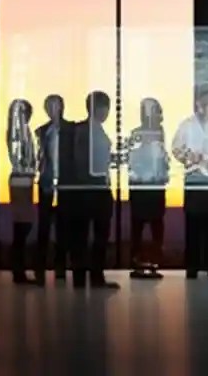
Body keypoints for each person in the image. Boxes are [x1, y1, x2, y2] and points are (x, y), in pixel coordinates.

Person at [172, 86, 208, 279]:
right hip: (194, 181)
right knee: (194, 226)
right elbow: (176, 148)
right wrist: (189, 158)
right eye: (207, 104)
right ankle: (192, 267)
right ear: (199, 104)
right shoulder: (186, 125)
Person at [72, 90, 119, 289]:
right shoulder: (87, 131)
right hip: (92, 190)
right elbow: (83, 161)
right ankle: (89, 277)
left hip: (92, 189)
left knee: (91, 236)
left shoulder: (91, 130)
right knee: (91, 236)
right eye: (105, 107)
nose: (106, 112)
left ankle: (87, 277)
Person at [127, 98, 170, 280]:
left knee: (155, 225)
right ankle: (138, 261)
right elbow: (133, 159)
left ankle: (153, 260)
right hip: (142, 186)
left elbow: (160, 158)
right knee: (139, 226)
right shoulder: (137, 134)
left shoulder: (160, 133)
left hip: (155, 186)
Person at [33, 94, 67, 284]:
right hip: (46, 183)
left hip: (64, 185)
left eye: (56, 105)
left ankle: (60, 267)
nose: (53, 109)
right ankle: (40, 268)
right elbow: (40, 156)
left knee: (63, 228)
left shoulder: (70, 130)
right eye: (50, 106)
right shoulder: (42, 131)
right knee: (44, 227)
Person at [6, 98, 37, 284]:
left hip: (23, 180)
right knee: (22, 225)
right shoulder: (19, 133)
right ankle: (18, 270)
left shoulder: (20, 131)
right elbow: (20, 157)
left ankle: (18, 270)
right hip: (21, 181)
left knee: (23, 226)